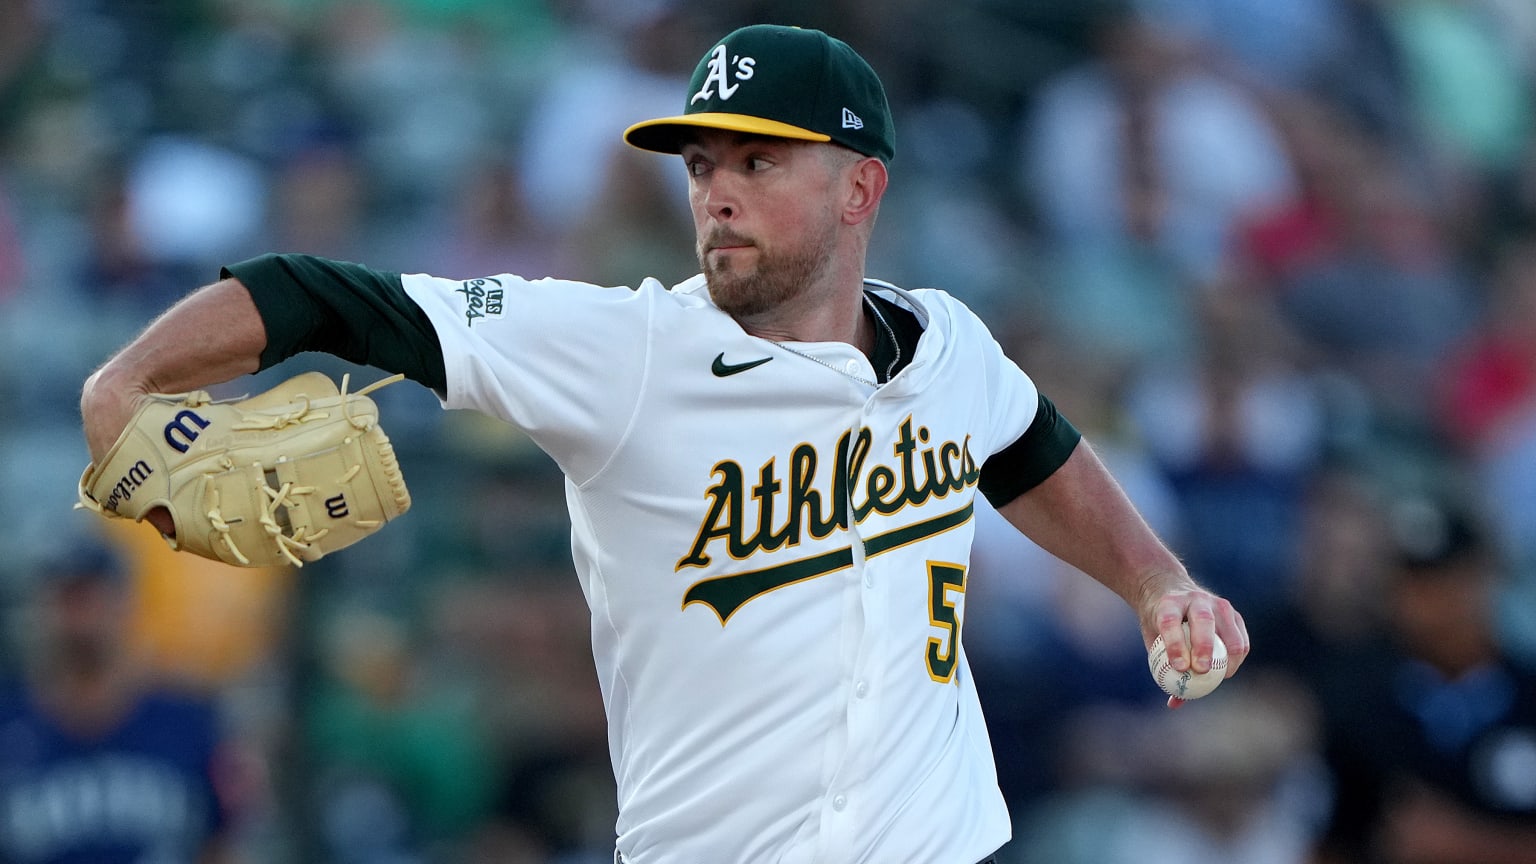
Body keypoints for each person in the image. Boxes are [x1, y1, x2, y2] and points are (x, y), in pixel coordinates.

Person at [78, 24, 1249, 864]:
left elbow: (1029, 449)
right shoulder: (625, 350)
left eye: (757, 160)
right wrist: (126, 382)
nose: (716, 193)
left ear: (860, 189)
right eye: (701, 166)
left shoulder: (948, 345)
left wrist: (1155, 581)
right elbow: (322, 294)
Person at [0, 540, 243, 864]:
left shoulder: (187, 720)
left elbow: (220, 843)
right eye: (67, 601)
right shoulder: (11, 720)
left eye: (91, 600)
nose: (81, 620)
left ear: (124, 604)